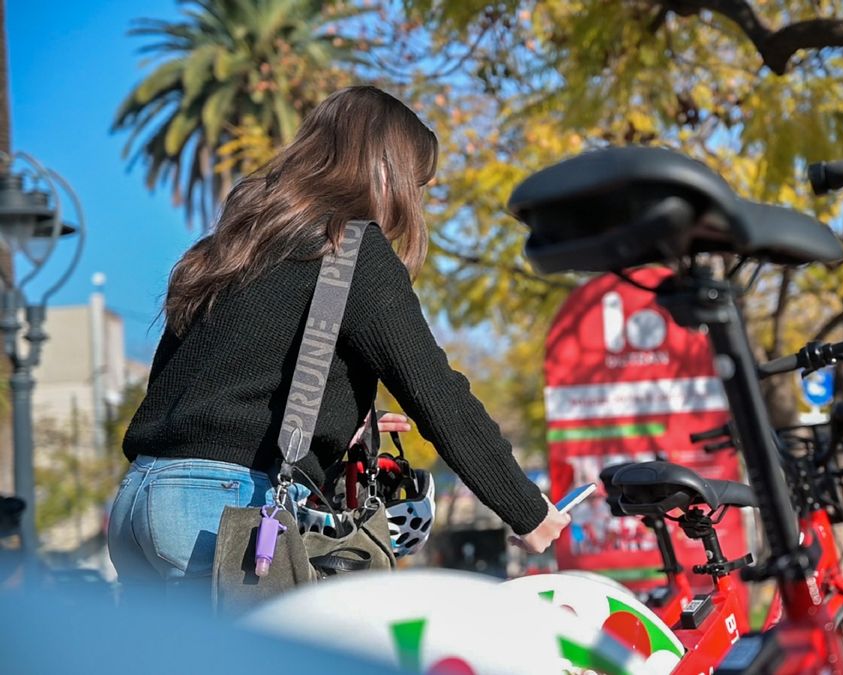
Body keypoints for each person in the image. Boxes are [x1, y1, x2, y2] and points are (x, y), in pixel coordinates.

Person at [106, 86, 568, 601]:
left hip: (141, 498)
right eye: (416, 184)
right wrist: (527, 510)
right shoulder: (353, 249)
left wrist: (339, 423)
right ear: (385, 172)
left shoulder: (233, 244)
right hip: (221, 507)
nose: (415, 202)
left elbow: (205, 380)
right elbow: (437, 393)